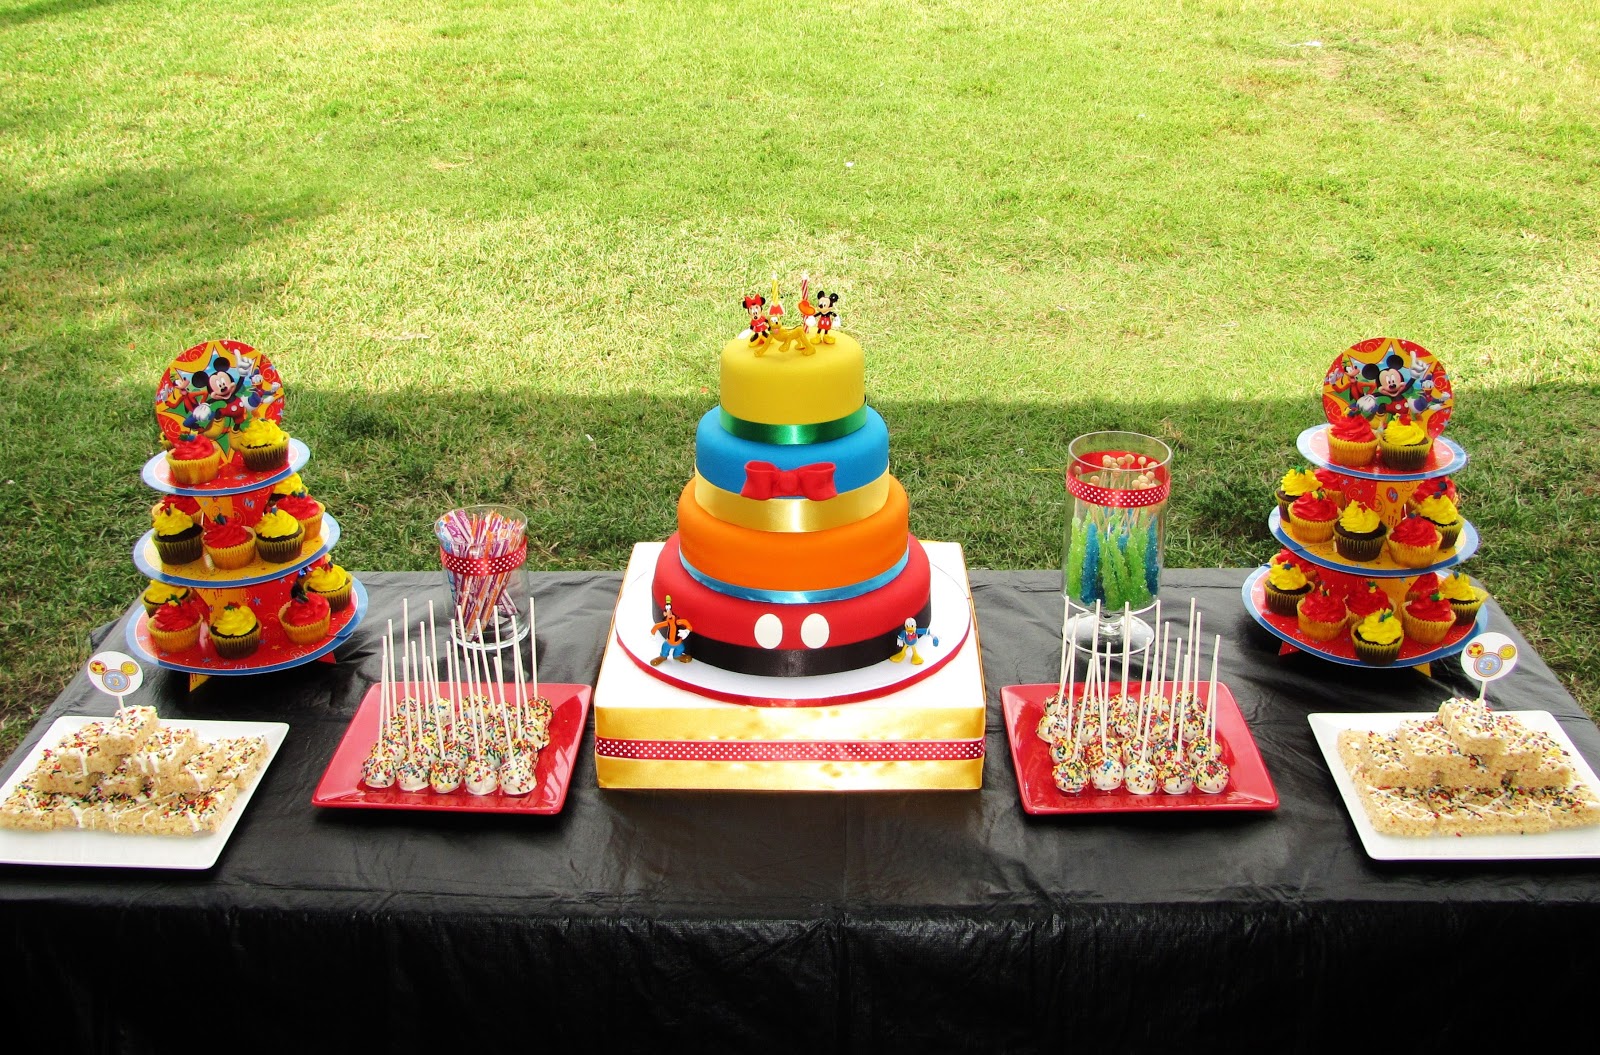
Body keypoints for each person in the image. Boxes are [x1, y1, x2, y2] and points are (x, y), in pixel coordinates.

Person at [650, 596, 693, 665]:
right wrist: (652, 633)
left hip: (678, 643)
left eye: (669, 612)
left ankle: (677, 655)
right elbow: (657, 626)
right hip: (669, 642)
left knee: (681, 648)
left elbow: (687, 623)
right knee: (664, 648)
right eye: (666, 613)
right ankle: (663, 657)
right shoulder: (667, 622)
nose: (668, 613)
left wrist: (687, 630)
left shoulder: (678, 621)